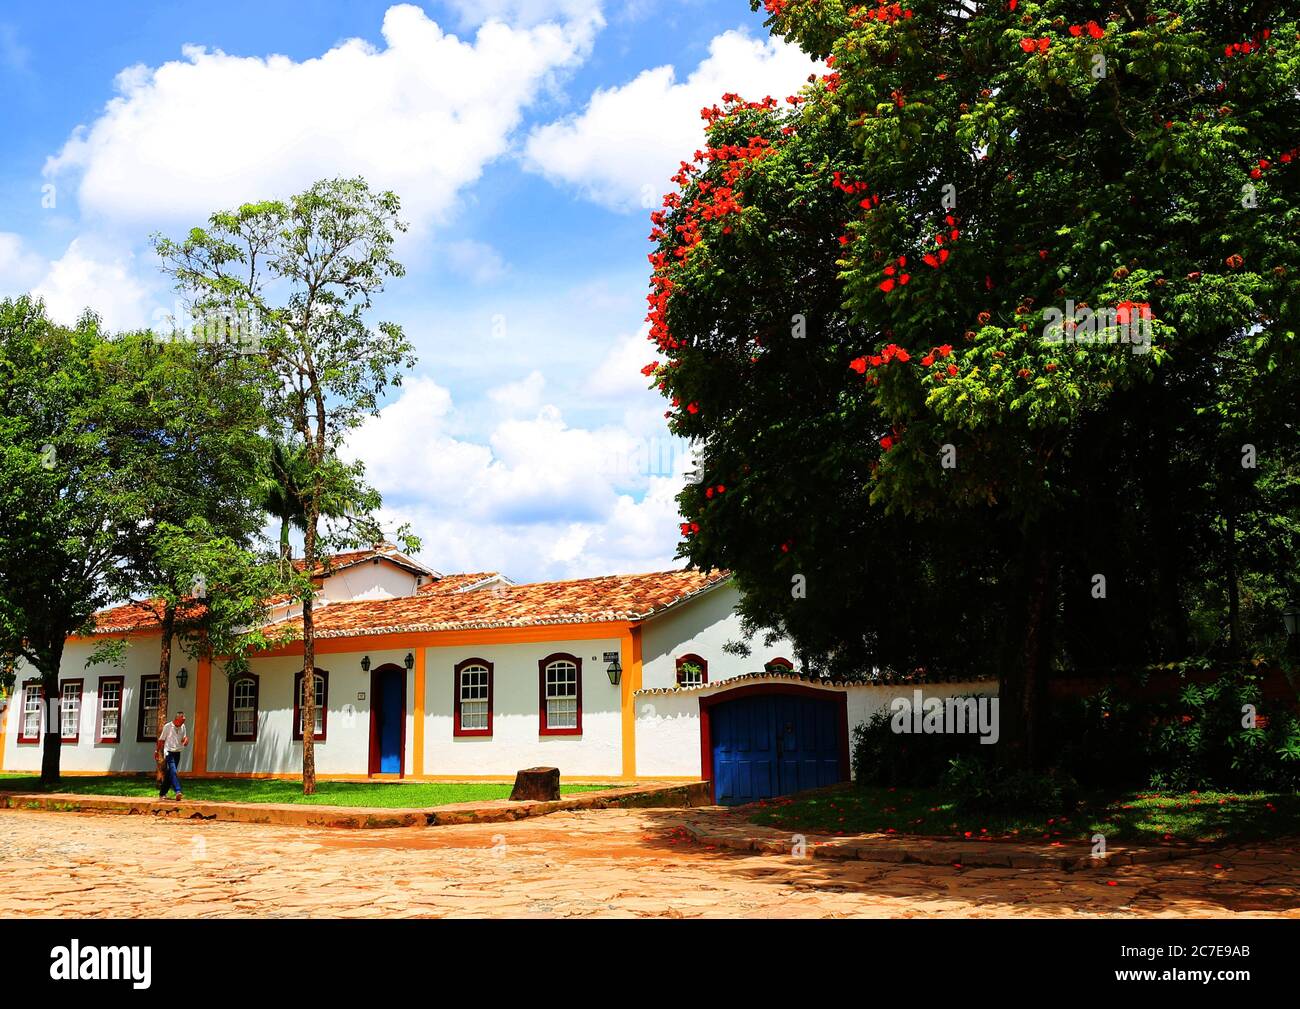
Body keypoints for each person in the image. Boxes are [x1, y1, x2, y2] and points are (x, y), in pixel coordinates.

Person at [156, 711, 189, 801]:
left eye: (184, 721)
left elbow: (184, 737)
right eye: (182, 721)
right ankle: (178, 791)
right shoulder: (168, 727)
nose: (183, 723)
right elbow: (161, 740)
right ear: (177, 719)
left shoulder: (183, 726)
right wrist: (157, 751)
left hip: (177, 752)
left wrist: (186, 740)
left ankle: (162, 793)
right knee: (173, 771)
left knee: (170, 774)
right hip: (169, 752)